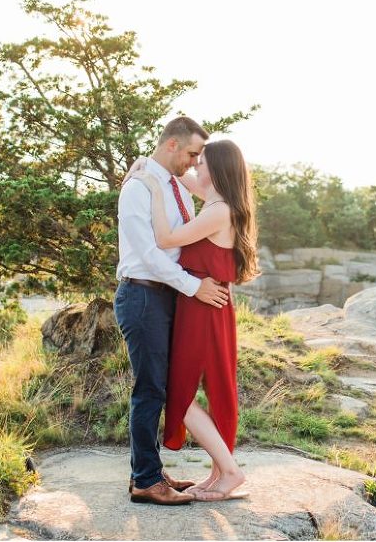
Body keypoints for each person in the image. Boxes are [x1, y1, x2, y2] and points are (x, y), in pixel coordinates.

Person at [129, 138, 260, 502]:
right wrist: (148, 163)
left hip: (203, 311)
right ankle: (220, 472)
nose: (193, 168)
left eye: (200, 163)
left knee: (180, 392)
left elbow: (165, 236)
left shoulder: (217, 211)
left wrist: (152, 189)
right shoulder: (218, 203)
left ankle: (230, 471)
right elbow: (177, 175)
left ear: (215, 170)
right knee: (197, 390)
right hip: (203, 307)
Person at [114, 117, 231, 506]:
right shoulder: (138, 189)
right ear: (172, 146)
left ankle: (148, 472)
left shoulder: (164, 182)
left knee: (160, 386)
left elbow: (181, 238)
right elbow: (150, 253)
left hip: (166, 297)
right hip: (143, 295)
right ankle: (146, 480)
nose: (195, 163)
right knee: (149, 388)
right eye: (193, 154)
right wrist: (194, 286)